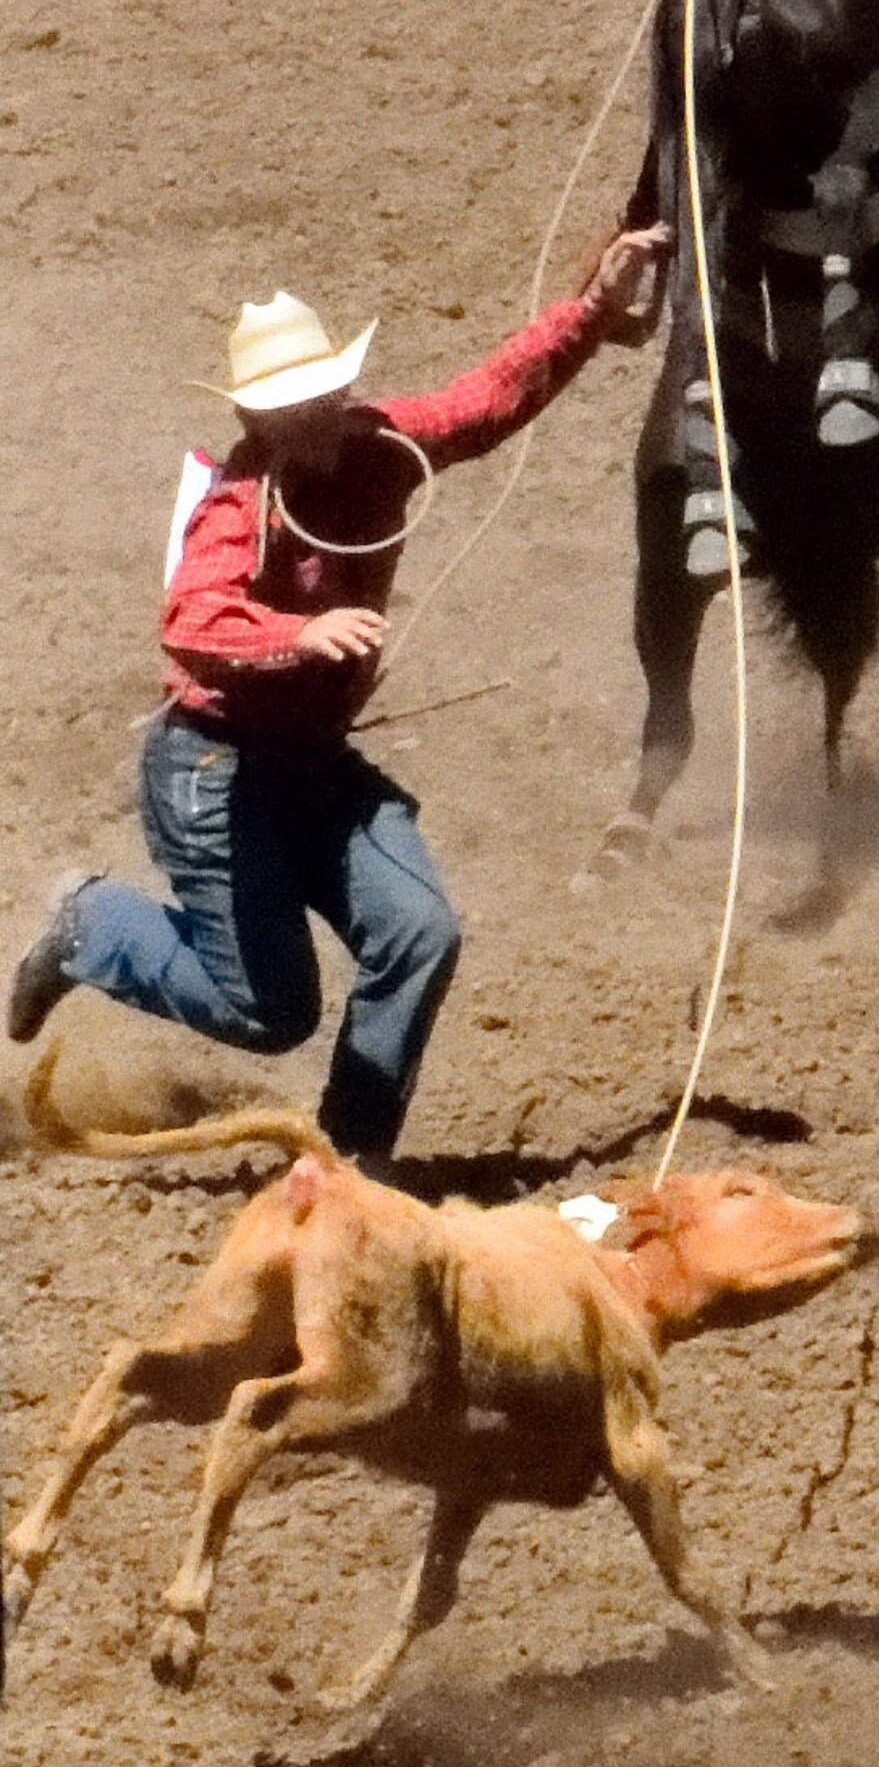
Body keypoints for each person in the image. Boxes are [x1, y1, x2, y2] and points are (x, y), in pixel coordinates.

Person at [7, 225, 669, 1172]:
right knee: (268, 1011)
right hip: (213, 768)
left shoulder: (383, 446)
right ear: (261, 423)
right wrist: (298, 635)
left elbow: (487, 399)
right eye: (296, 406)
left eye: (325, 395)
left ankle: (348, 1165)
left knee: (420, 931)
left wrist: (594, 310)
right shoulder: (241, 503)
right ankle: (92, 926)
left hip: (310, 765)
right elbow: (191, 621)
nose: (320, 415)